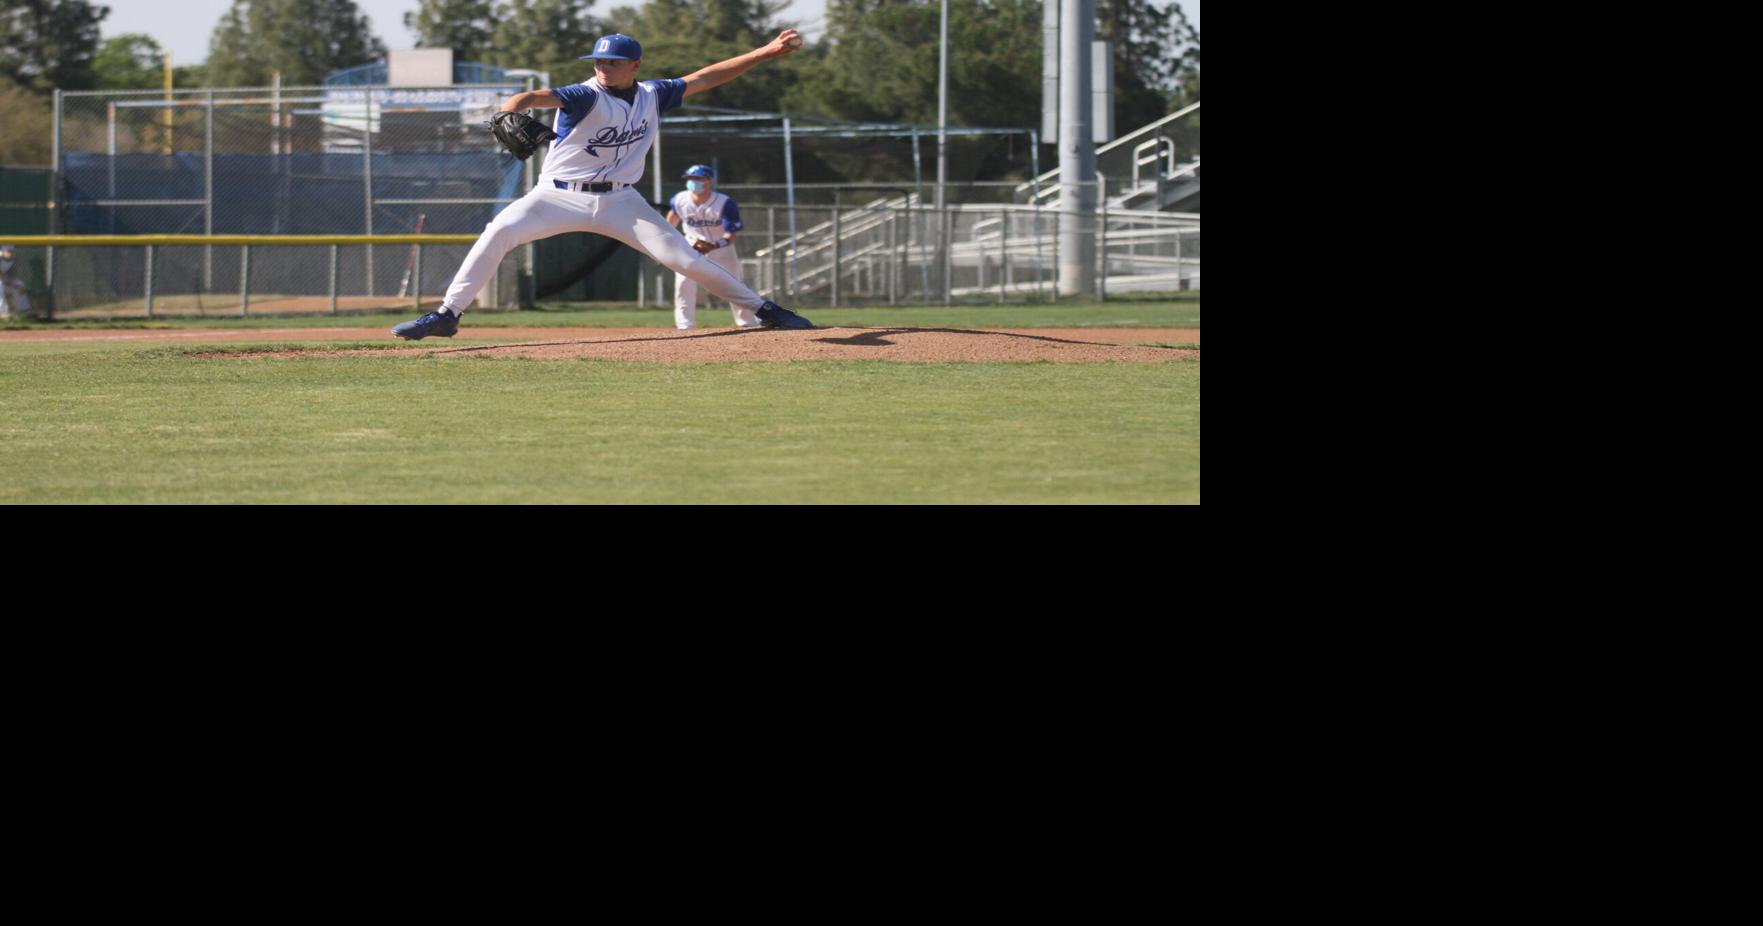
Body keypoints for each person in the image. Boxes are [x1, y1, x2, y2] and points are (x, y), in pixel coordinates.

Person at [392, 31, 814, 339]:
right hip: (556, 196)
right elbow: (531, 98)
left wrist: (765, 51)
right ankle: (448, 314)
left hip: (621, 201)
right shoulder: (584, 95)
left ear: (635, 65)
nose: (603, 67)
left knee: (686, 261)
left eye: (612, 62)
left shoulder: (654, 93)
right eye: (598, 61)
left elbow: (707, 77)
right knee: (498, 232)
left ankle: (764, 310)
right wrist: (509, 110)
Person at [665, 164, 757, 329]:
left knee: (734, 285)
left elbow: (730, 236)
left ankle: (747, 322)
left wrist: (714, 245)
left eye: (698, 178)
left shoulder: (724, 202)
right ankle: (685, 325)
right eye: (690, 179)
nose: (693, 182)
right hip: (691, 248)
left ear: (709, 181)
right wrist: (670, 242)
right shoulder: (679, 199)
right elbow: (670, 222)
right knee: (683, 284)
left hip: (721, 249)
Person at [0, 244, 30, 319]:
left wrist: (17, 284)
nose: (10, 253)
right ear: (3, 251)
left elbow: (16, 275)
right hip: (2, 283)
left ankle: (22, 312)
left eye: (12, 251)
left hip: (8, 283)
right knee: (0, 285)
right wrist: (9, 282)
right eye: (8, 251)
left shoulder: (14, 260)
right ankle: (1, 311)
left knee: (20, 285)